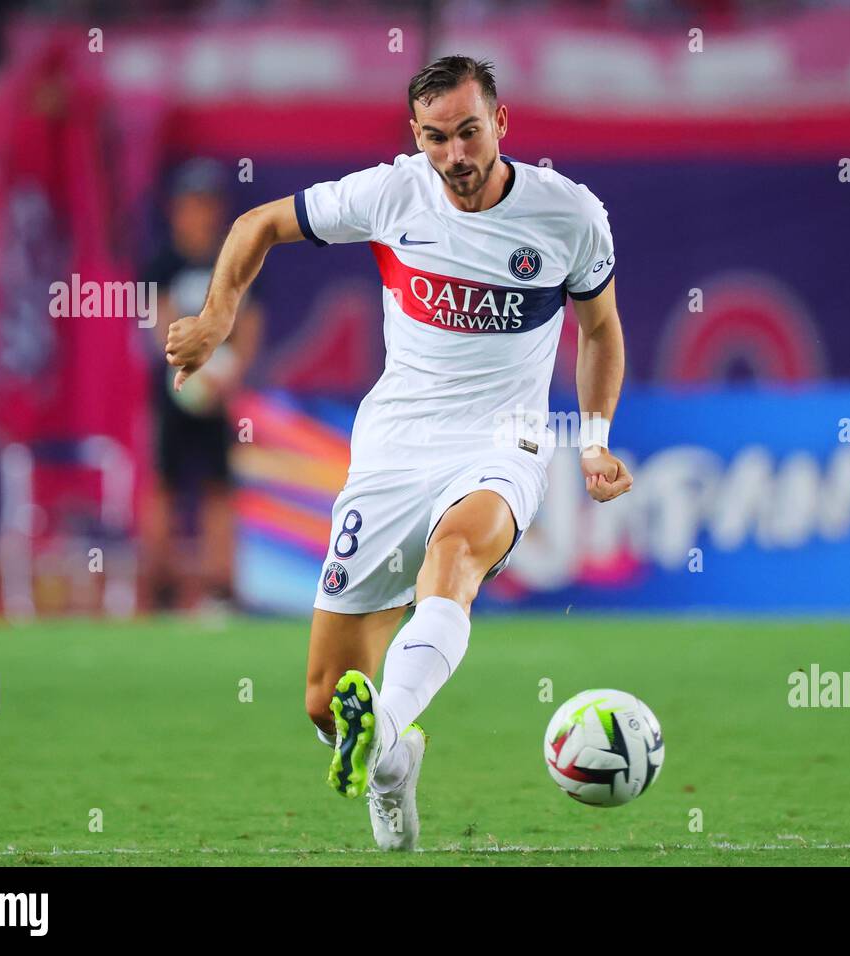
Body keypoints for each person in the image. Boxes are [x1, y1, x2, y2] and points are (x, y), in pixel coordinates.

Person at [163, 56, 630, 850]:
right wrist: (215, 318)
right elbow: (257, 225)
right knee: (321, 700)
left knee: (454, 554)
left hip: (501, 442)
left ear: (502, 123)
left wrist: (593, 441)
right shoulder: (389, 193)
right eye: (436, 138)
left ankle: (382, 726)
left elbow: (599, 331)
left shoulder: (570, 216)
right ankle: (391, 758)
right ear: (417, 138)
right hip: (391, 452)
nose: (456, 155)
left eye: (470, 132)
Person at [143, 158, 263, 613]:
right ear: (177, 209)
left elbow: (251, 322)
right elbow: (160, 320)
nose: (201, 212)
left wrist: (228, 375)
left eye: (208, 203)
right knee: (163, 485)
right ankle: (162, 589)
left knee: (220, 487)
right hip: (174, 391)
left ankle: (219, 589)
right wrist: (189, 370)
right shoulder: (164, 262)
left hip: (219, 397)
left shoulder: (234, 259)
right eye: (192, 203)